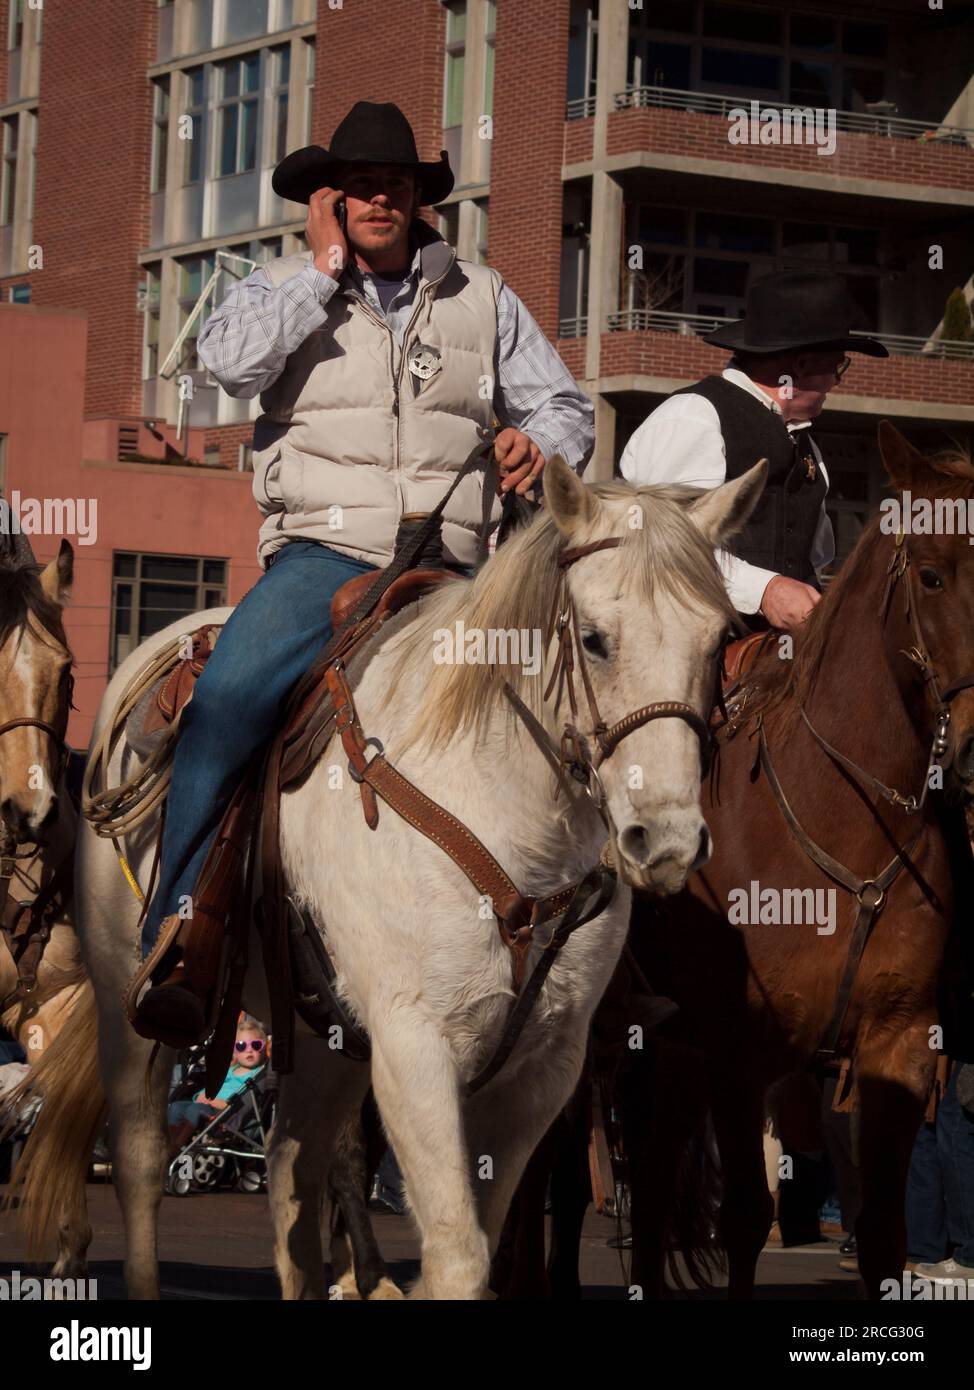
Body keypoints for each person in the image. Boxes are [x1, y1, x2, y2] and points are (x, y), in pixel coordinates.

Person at [128, 100, 594, 1045]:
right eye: (359, 187)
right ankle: (181, 930)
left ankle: (592, 959)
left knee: (594, 702)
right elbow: (226, 365)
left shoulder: (485, 296)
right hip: (323, 557)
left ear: (421, 196)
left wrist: (533, 446)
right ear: (331, 201)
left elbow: (568, 411)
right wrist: (323, 273)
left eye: (397, 184)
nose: (381, 198)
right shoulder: (277, 289)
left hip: (461, 567)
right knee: (225, 701)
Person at [620, 270, 888, 629]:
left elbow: (815, 559)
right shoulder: (693, 417)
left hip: (776, 663)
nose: (839, 379)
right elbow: (663, 545)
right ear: (801, 366)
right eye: (838, 364)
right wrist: (764, 590)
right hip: (685, 661)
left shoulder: (807, 445)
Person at [167, 1016, 267, 1152]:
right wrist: (200, 1096)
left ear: (263, 1048)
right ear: (234, 1053)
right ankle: (172, 1139)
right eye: (242, 1046)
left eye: (256, 1045)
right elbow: (208, 1090)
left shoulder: (257, 1075)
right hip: (206, 1104)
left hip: (222, 1115)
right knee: (176, 1107)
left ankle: (177, 1145)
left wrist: (215, 1102)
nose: (249, 1050)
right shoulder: (229, 1071)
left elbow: (236, 1104)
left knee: (193, 1110)